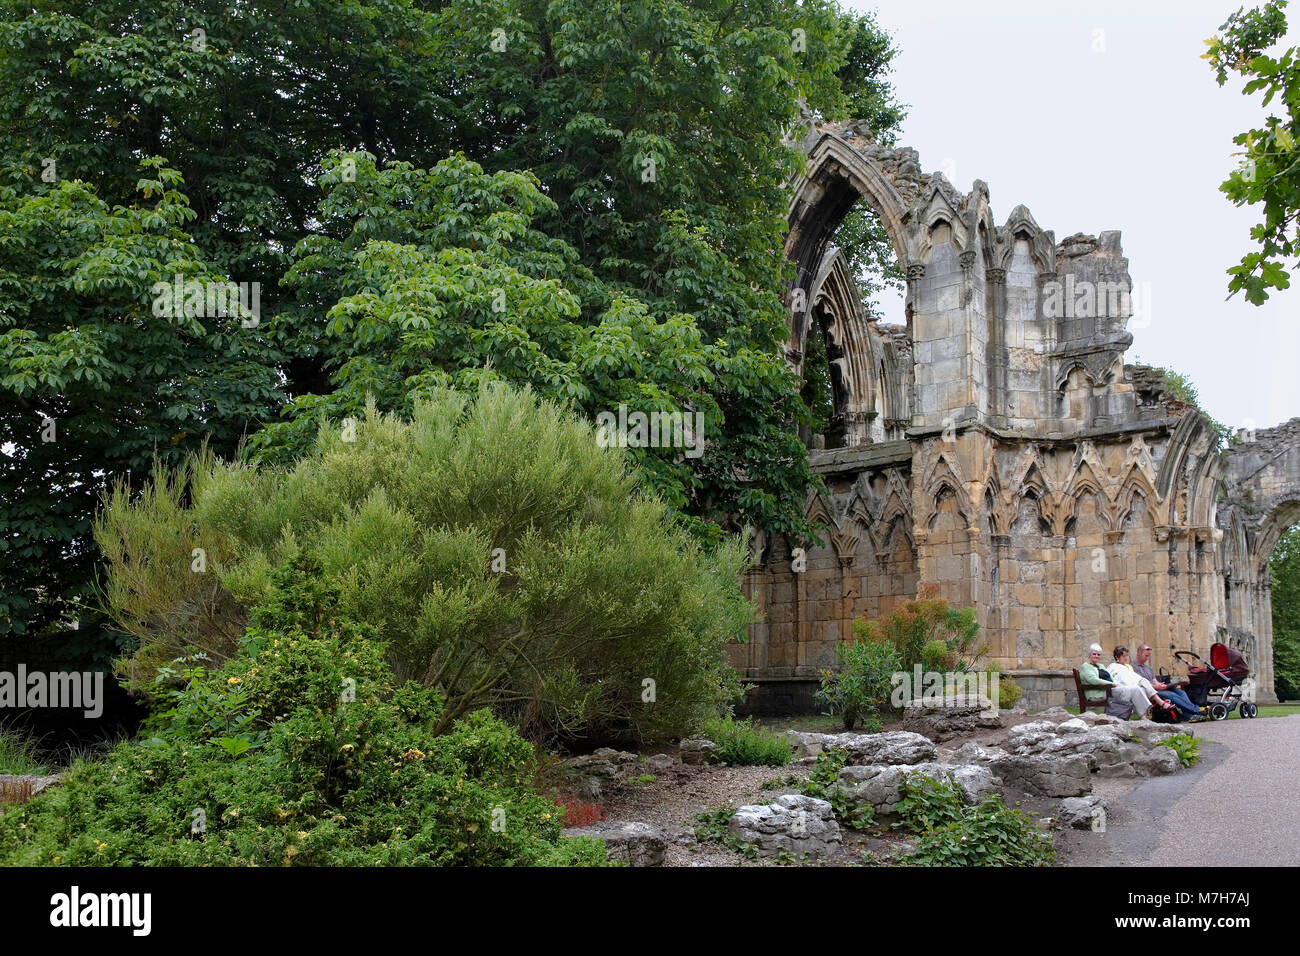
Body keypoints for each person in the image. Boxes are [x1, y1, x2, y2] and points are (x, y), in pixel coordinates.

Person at [1133, 643, 1199, 719]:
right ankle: (1196, 710)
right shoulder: (1133, 667)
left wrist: (1161, 685)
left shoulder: (1149, 668)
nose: (1147, 658)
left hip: (1157, 689)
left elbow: (1155, 681)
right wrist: (1156, 686)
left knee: (1181, 692)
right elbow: (1139, 684)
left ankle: (1188, 715)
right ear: (1139, 652)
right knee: (1170, 694)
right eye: (1146, 656)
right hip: (1149, 691)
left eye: (1149, 656)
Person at [1109, 646, 1176, 718]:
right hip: (1120, 688)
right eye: (1123, 656)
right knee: (1141, 684)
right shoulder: (1112, 666)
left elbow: (1132, 676)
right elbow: (1108, 677)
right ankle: (1162, 703)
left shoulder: (1128, 667)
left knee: (1142, 687)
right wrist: (1114, 683)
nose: (1126, 658)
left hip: (1132, 685)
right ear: (1117, 657)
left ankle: (1144, 717)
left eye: (1127, 656)